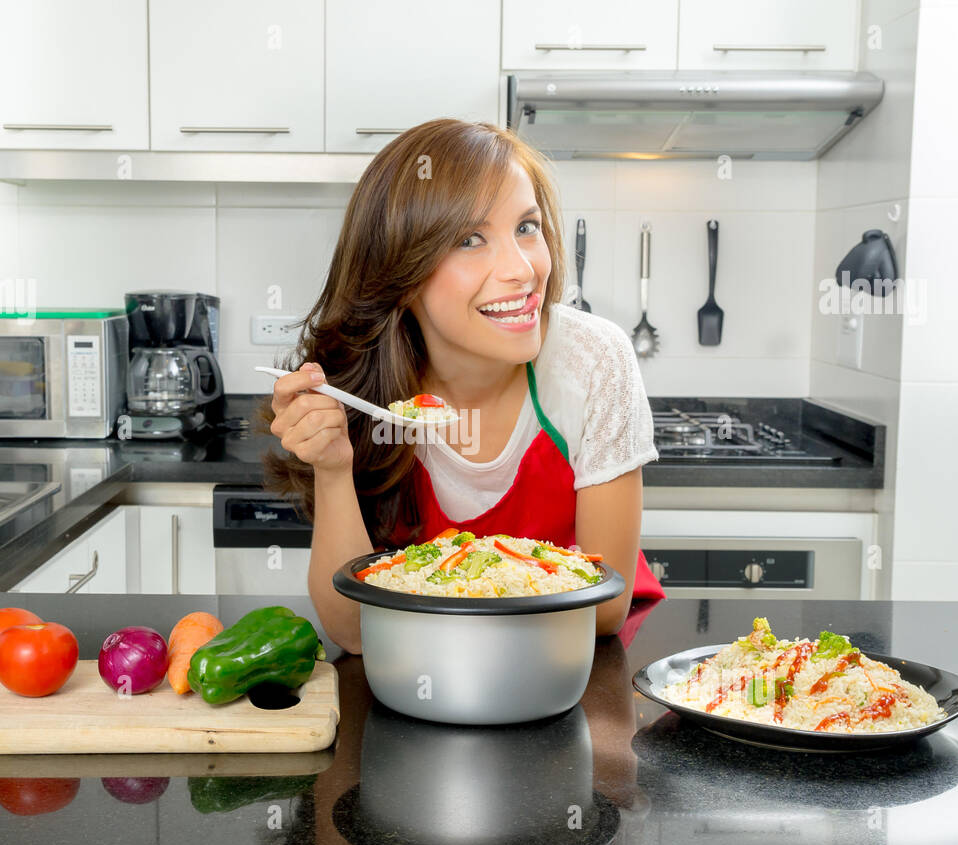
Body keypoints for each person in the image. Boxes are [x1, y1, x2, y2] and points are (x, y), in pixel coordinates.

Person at [261, 118, 661, 654]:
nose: (522, 270)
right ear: (400, 274)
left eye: (526, 227)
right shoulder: (359, 391)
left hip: (574, 673)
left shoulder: (594, 361)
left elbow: (602, 609)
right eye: (471, 240)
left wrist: (442, 600)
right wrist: (334, 469)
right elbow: (355, 634)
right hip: (419, 686)